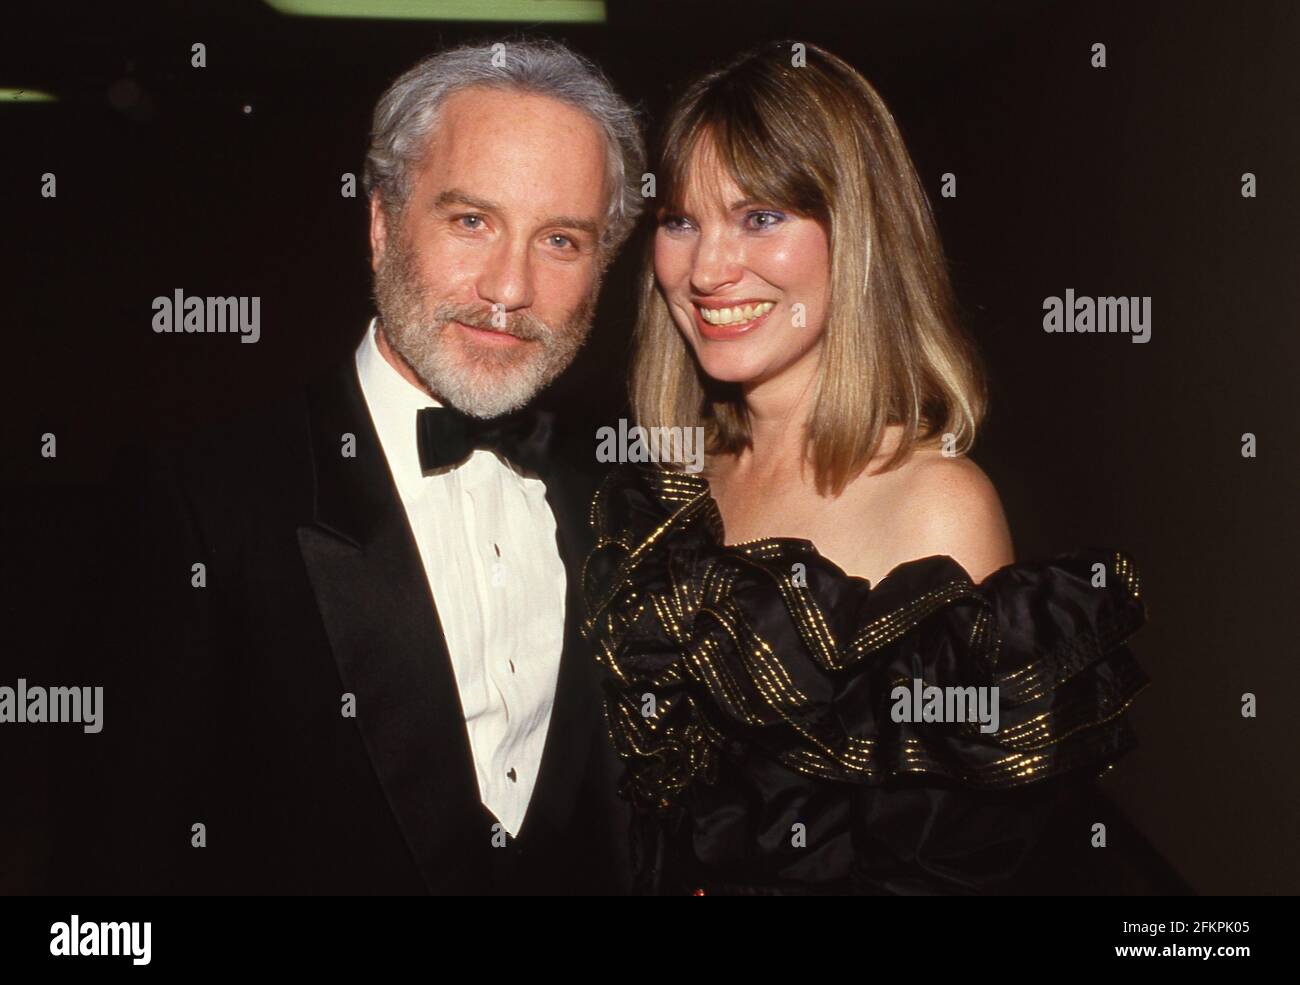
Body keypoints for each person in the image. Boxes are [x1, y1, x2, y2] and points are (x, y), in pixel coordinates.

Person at [581, 40, 1150, 895]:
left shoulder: (935, 505)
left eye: (761, 215)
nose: (706, 269)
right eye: (681, 220)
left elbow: (957, 868)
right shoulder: (660, 490)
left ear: (859, 236)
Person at [99, 39, 645, 894]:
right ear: (382, 221)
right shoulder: (203, 498)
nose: (509, 287)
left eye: (561, 240)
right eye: (471, 221)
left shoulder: (620, 506)